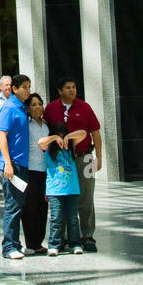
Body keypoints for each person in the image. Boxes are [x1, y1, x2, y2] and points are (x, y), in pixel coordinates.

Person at [43, 78, 101, 252]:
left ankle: (88, 235)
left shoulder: (85, 107)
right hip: (60, 160)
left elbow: (95, 132)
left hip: (84, 158)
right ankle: (66, 237)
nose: (72, 90)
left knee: (86, 197)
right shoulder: (51, 109)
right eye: (67, 88)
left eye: (74, 87)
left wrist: (99, 156)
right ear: (59, 91)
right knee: (64, 197)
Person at [0, 73, 32, 260]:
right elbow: (1, 135)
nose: (27, 90)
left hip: (22, 164)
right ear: (14, 89)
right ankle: (8, 246)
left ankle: (15, 244)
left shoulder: (23, 108)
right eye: (24, 87)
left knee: (19, 204)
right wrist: (7, 163)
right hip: (12, 165)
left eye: (29, 87)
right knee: (12, 205)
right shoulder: (9, 107)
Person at [38, 122, 88, 255]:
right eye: (59, 136)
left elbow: (83, 133)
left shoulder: (71, 146)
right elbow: (40, 142)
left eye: (63, 135)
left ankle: (75, 244)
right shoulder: (48, 148)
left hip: (72, 189)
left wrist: (69, 137)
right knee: (56, 218)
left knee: (72, 218)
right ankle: (54, 244)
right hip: (55, 191)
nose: (61, 141)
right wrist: (55, 138)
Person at [21, 92, 48, 255]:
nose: (37, 107)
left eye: (40, 104)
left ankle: (39, 241)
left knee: (43, 207)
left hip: (46, 171)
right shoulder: (26, 124)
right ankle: (31, 242)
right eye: (33, 104)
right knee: (30, 208)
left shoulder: (46, 125)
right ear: (28, 108)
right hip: (30, 170)